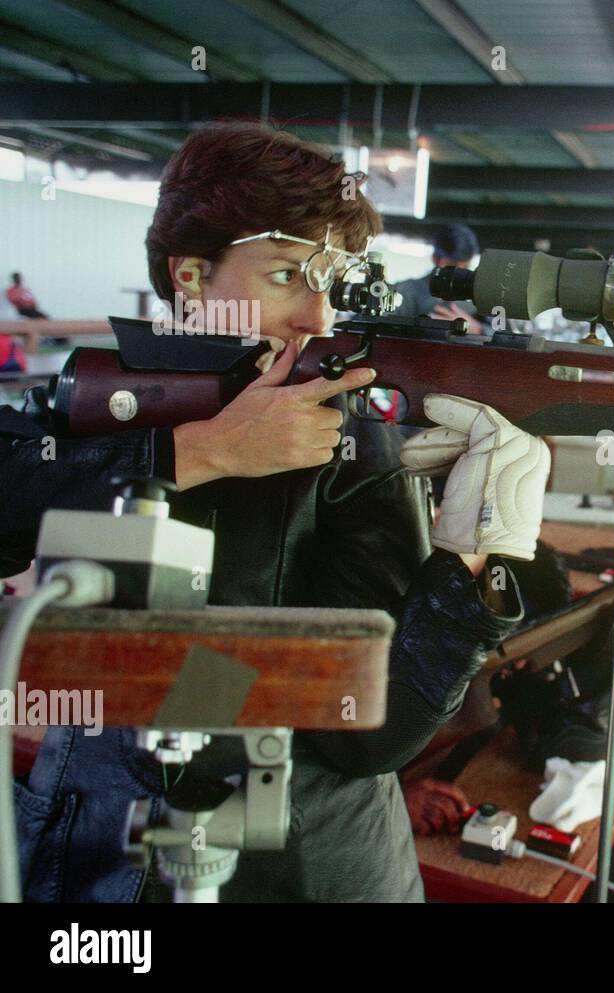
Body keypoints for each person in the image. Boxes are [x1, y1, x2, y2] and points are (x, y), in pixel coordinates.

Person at [0, 122, 550, 902]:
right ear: (189, 274)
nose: (318, 317)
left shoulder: (355, 440)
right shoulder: (104, 401)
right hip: (98, 861)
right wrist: (203, 451)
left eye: (332, 280)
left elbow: (372, 734)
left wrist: (466, 562)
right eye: (290, 272)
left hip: (305, 871)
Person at [392, 222, 484, 333]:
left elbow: (504, 333)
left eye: (465, 267)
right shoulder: (405, 293)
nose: (461, 275)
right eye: (453, 267)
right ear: (436, 260)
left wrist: (478, 329)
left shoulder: (482, 296)